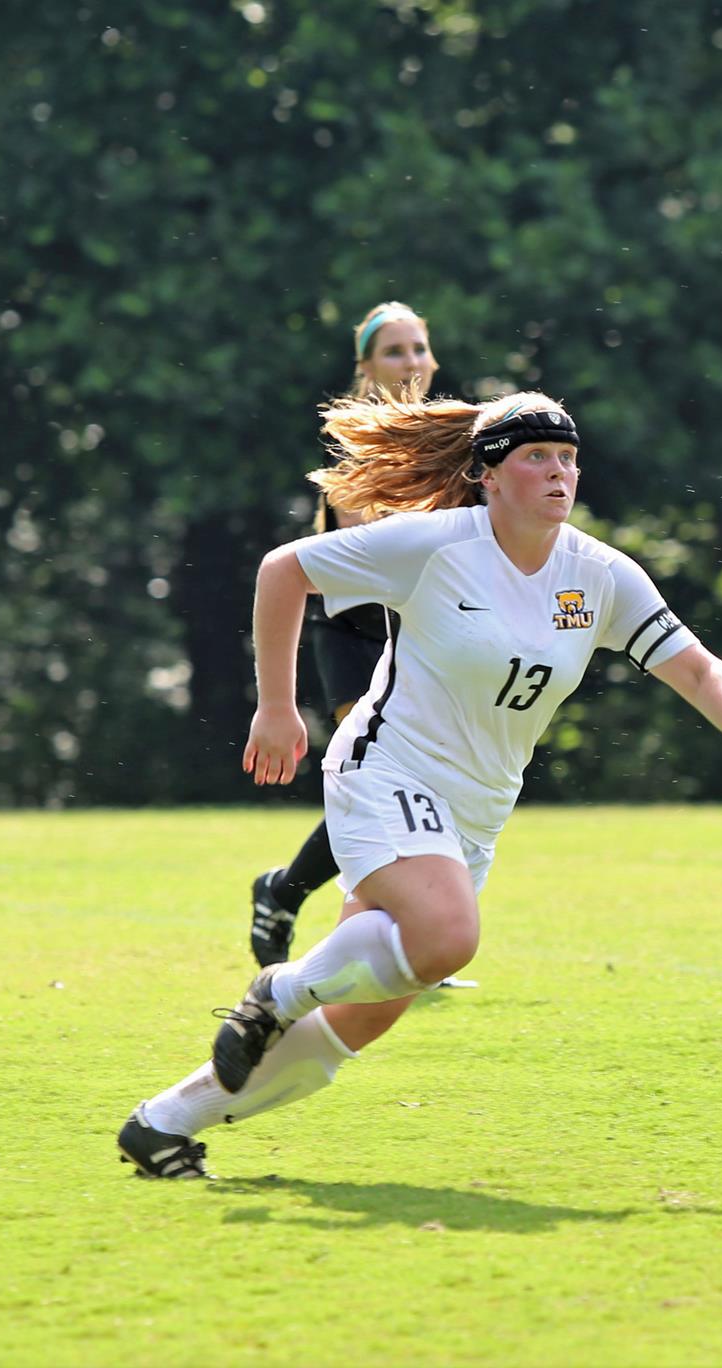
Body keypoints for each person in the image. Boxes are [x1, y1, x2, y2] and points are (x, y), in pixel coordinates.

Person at [119, 389, 722, 1178]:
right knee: (447, 940)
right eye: (537, 458)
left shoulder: (600, 575)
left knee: (362, 1020)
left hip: (476, 812)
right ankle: (277, 993)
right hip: (388, 770)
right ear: (489, 474)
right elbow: (284, 571)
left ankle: (164, 1124)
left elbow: (693, 664)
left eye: (569, 459)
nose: (560, 474)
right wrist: (277, 707)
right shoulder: (437, 546)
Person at [248, 302, 440, 969]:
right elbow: (373, 535)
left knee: (412, 787)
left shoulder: (445, 440)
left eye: (418, 349)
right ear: (364, 368)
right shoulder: (356, 442)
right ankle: (289, 893)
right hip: (355, 634)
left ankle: (377, 928)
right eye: (394, 351)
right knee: (379, 782)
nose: (410, 362)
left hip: (414, 636)